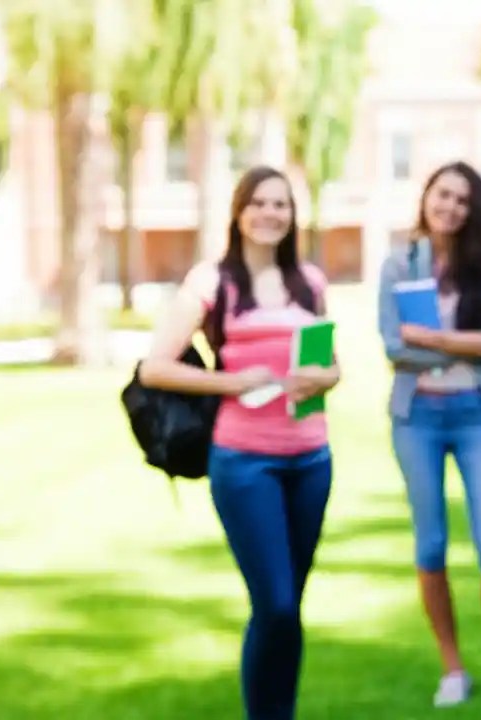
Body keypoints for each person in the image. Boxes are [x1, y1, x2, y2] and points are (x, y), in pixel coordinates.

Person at [139, 165, 340, 720]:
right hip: (245, 461)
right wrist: (232, 382)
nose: (270, 214)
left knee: (288, 608)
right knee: (273, 604)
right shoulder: (213, 282)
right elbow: (154, 367)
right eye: (259, 203)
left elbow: (330, 364)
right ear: (239, 212)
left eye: (281, 205)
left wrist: (324, 377)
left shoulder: (309, 282)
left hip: (311, 458)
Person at [377, 161, 481, 707]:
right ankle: (453, 668)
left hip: (475, 414)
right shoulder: (399, 262)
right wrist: (458, 341)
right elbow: (395, 345)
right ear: (426, 197)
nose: (451, 207)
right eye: (443, 195)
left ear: (474, 209)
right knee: (432, 543)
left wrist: (431, 336)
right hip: (416, 417)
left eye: (463, 200)